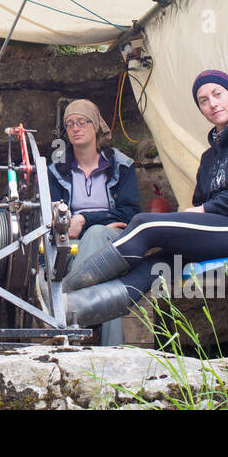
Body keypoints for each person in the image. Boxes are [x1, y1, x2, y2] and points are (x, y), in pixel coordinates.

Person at [61, 70, 228, 329]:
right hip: (218, 229)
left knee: (145, 225)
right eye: (203, 100)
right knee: (152, 267)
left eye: (217, 94)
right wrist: (195, 215)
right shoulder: (210, 156)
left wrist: (204, 209)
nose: (212, 103)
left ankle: (61, 289)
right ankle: (68, 311)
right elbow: (201, 200)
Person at [48, 99, 141, 345]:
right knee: (106, 286)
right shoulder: (56, 170)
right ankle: (113, 350)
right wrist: (71, 224)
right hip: (69, 244)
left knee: (98, 233)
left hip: (113, 239)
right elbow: (52, 215)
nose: (76, 128)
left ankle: (67, 301)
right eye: (70, 124)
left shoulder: (121, 165)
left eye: (82, 122)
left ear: (96, 125)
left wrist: (85, 219)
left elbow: (131, 213)